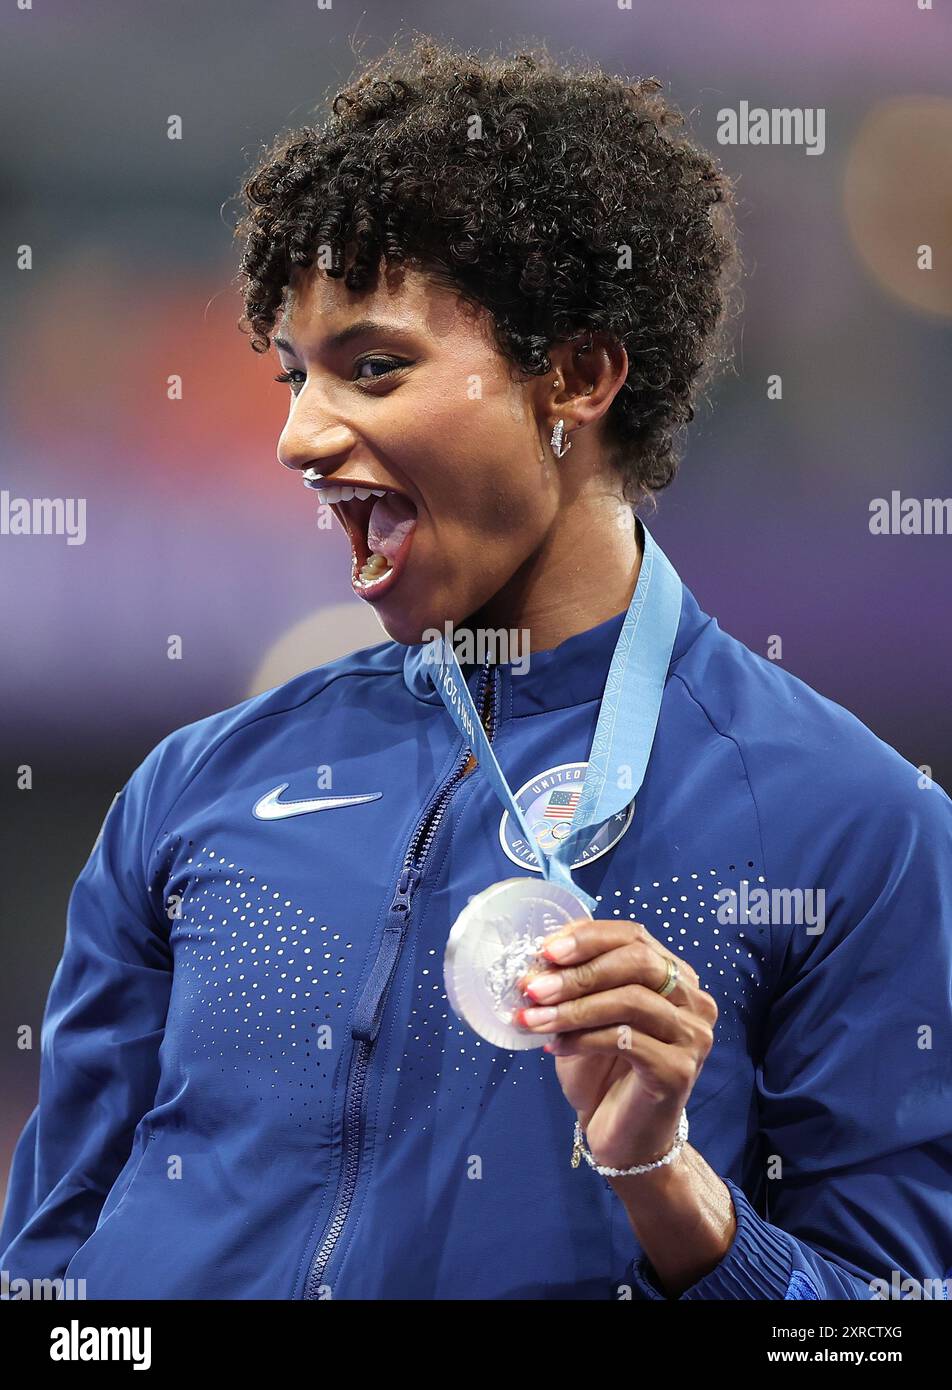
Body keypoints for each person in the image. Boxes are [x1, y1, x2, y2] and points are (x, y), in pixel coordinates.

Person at [2, 36, 950, 1302]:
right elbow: (47, 1279)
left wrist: (675, 1190)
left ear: (578, 376)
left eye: (373, 366)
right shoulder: (191, 790)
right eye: (294, 374)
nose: (298, 435)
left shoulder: (854, 826)